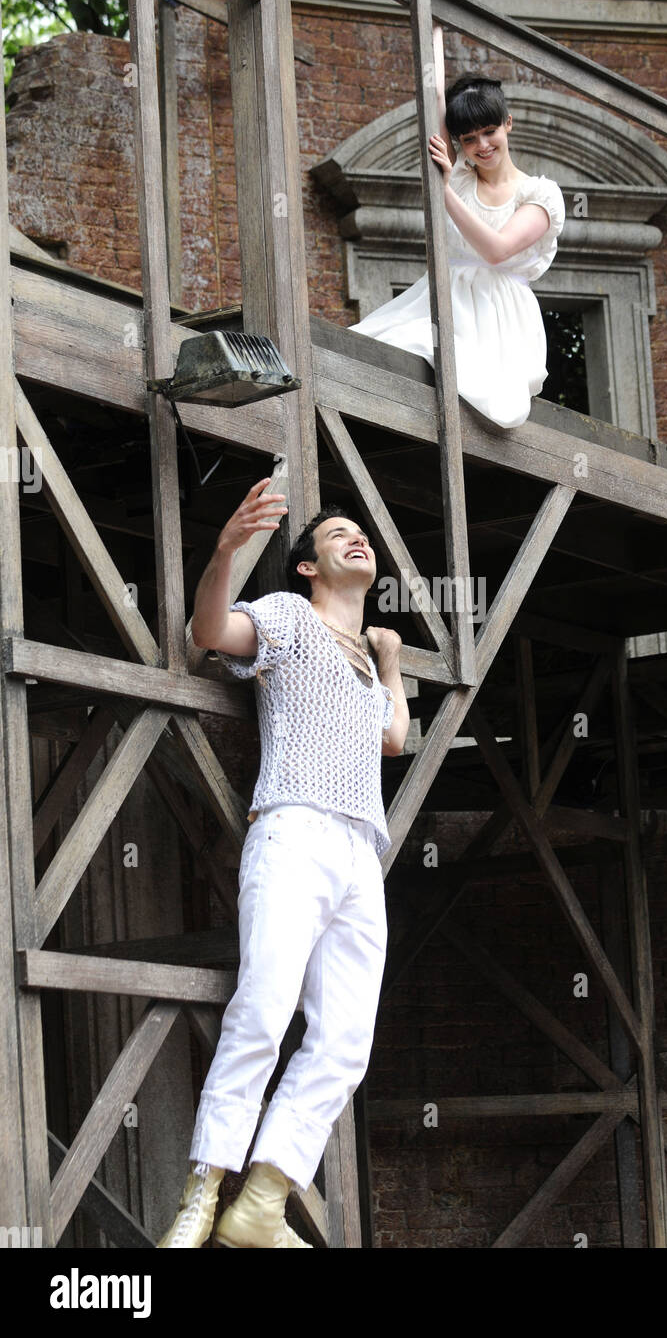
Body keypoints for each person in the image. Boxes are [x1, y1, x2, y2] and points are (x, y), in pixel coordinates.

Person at [157, 478, 409, 1248]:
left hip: (361, 852)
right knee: (264, 1012)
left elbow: (392, 739)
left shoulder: (366, 662)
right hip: (294, 830)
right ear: (306, 567)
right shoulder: (291, 618)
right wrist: (230, 549)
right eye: (339, 535)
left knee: (344, 1043)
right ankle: (203, 1192)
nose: (356, 539)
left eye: (362, 533)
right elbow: (209, 631)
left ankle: (261, 1201)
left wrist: (389, 660)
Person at [350, 73, 566, 430]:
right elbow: (433, 97)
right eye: (469, 138)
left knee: (468, 381)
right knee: (378, 343)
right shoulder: (461, 176)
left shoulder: (540, 194)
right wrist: (434, 25)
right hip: (441, 298)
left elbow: (496, 251)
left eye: (489, 131)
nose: (481, 145)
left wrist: (444, 189)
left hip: (498, 315)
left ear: (507, 124)